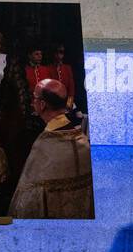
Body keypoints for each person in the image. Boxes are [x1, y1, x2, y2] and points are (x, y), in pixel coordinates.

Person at [9, 79, 94, 218]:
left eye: (34, 97)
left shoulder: (44, 145)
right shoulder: (82, 139)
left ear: (42, 105)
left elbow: (26, 199)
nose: (32, 102)